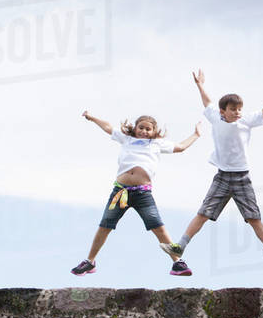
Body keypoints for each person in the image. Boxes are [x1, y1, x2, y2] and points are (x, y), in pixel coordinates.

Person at [161, 69, 263, 273]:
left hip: (242, 177)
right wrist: (200, 85)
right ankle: (179, 245)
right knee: (203, 212)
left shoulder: (246, 121)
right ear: (223, 111)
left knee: (253, 217)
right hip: (222, 176)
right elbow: (207, 102)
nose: (237, 112)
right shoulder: (215, 118)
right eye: (233, 109)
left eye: (239, 109)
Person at [70, 112, 200, 276]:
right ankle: (90, 261)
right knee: (105, 226)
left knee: (158, 226)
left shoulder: (156, 144)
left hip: (142, 194)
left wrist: (196, 134)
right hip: (120, 192)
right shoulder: (127, 139)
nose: (144, 131)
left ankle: (177, 262)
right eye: (141, 128)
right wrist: (93, 118)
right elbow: (108, 127)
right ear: (135, 128)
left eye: (148, 129)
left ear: (154, 131)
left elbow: (180, 147)